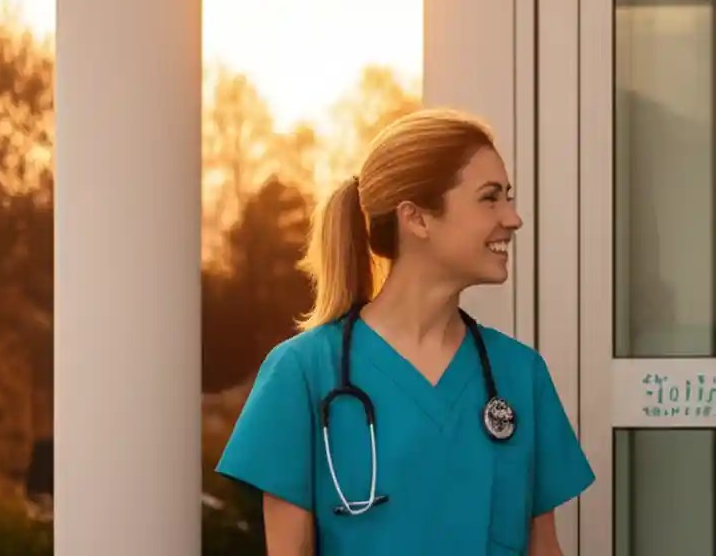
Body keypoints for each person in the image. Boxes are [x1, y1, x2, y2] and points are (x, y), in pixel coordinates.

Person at [216, 108, 594, 555]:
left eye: (507, 197)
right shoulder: (303, 373)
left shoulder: (519, 374)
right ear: (416, 219)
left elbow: (543, 548)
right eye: (490, 198)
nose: (513, 219)